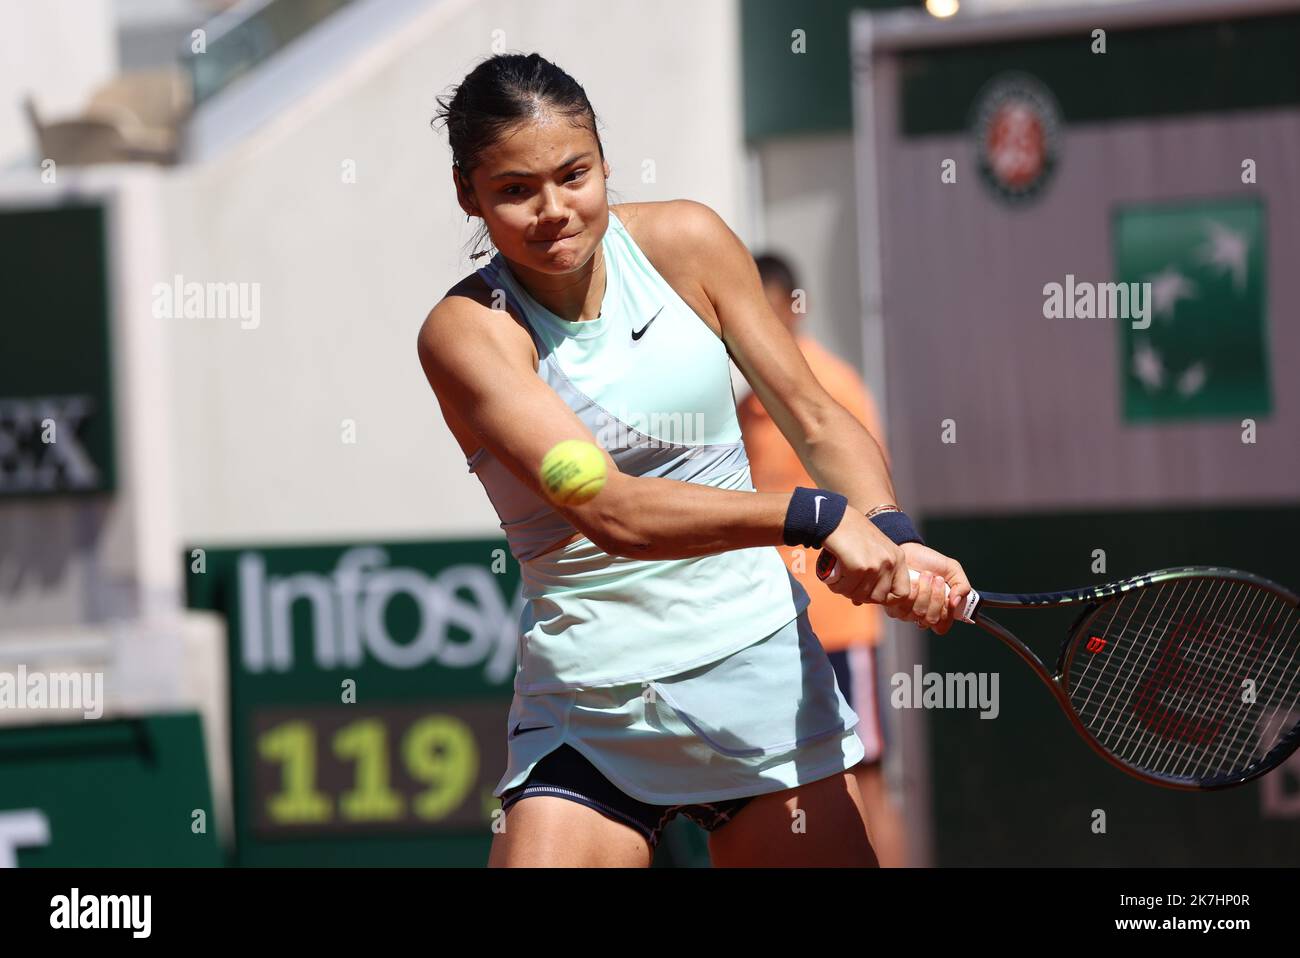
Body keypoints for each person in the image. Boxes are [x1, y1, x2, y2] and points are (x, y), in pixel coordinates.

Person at [418, 52, 970, 868]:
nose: (553, 211)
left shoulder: (687, 242)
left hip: (760, 679)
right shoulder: (467, 335)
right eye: (514, 190)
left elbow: (816, 415)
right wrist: (817, 515)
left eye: (575, 174)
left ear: (605, 158)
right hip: (590, 706)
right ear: (469, 193)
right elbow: (611, 511)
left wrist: (890, 528)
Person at [736, 253, 907, 867]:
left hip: (838, 626)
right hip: (769, 628)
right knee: (780, 787)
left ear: (791, 307)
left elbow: (870, 495)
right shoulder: (744, 401)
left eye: (762, 306)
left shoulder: (830, 390)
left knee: (864, 778)